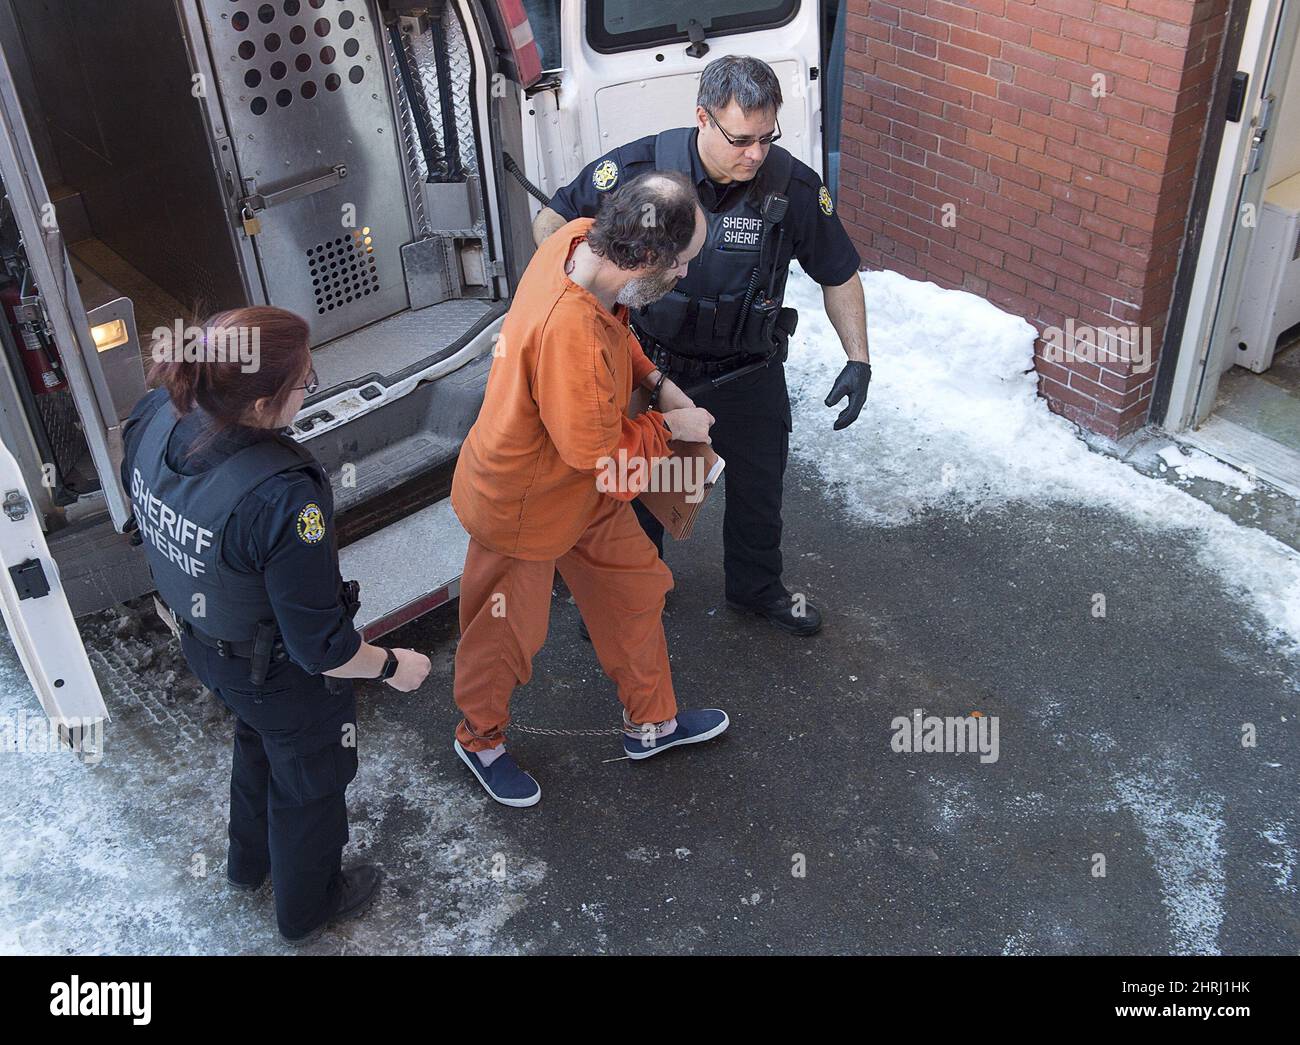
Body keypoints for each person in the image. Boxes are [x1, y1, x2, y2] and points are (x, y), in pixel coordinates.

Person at [121, 306, 431, 945]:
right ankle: (306, 907)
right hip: (282, 676)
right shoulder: (281, 497)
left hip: (207, 647)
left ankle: (248, 863)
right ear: (263, 403)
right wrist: (397, 667)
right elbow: (321, 648)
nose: (311, 385)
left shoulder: (156, 416)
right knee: (312, 783)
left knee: (257, 741)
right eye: (305, 382)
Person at [533, 55, 872, 637]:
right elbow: (553, 222)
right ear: (703, 118)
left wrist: (858, 358)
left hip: (750, 370)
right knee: (651, 494)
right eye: (741, 139)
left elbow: (837, 272)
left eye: (767, 137)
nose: (756, 154)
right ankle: (637, 593)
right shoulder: (643, 168)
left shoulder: (791, 186)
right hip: (658, 371)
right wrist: (587, 303)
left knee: (759, 491)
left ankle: (757, 589)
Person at [450, 172, 728, 807]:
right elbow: (598, 455)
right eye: (683, 264)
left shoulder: (579, 242)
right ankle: (480, 739)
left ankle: (651, 722)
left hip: (582, 492)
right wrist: (670, 425)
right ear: (651, 258)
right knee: (506, 634)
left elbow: (618, 333)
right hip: (524, 503)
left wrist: (655, 380)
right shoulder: (567, 332)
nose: (685, 276)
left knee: (635, 590)